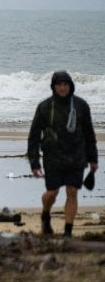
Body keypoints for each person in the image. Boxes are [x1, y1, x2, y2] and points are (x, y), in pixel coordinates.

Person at [27, 71, 98, 237]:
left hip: (76, 156)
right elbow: (34, 137)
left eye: (65, 84)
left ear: (70, 86)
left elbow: (89, 133)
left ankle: (68, 232)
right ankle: (45, 214)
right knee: (52, 193)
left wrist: (93, 158)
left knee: (72, 191)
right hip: (53, 157)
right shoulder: (44, 107)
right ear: (53, 87)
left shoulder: (81, 106)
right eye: (59, 84)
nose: (62, 87)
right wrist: (35, 163)